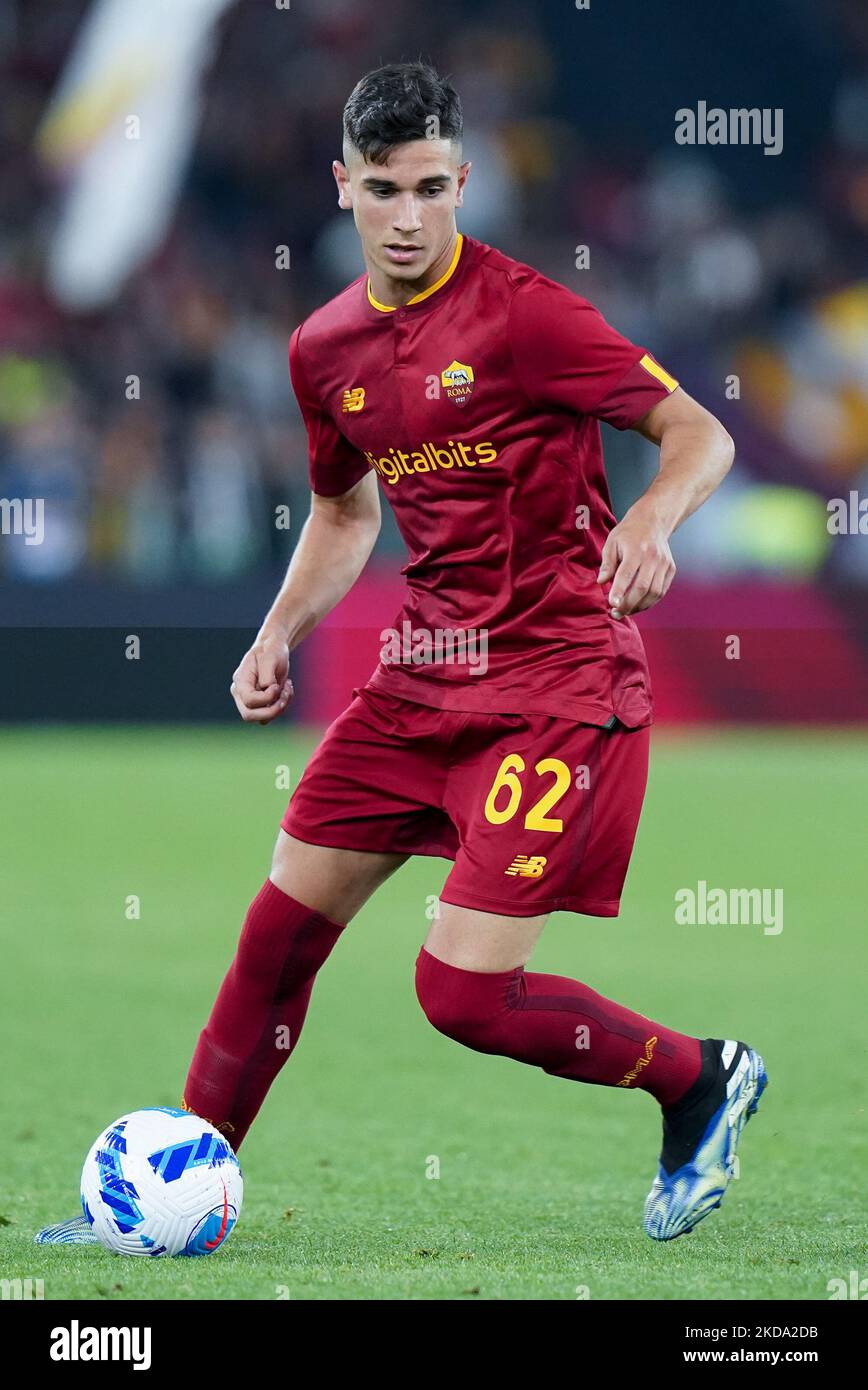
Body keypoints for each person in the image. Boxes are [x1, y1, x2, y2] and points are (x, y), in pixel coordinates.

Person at [38, 61, 766, 1251]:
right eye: (385, 189)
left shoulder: (529, 313)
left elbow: (698, 431)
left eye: (433, 187)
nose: (412, 216)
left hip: (554, 684)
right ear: (344, 186)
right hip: (417, 680)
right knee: (277, 934)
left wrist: (647, 518)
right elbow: (342, 515)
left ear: (463, 180)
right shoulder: (323, 349)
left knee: (461, 995)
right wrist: (277, 632)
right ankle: (170, 1200)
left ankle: (697, 1078)